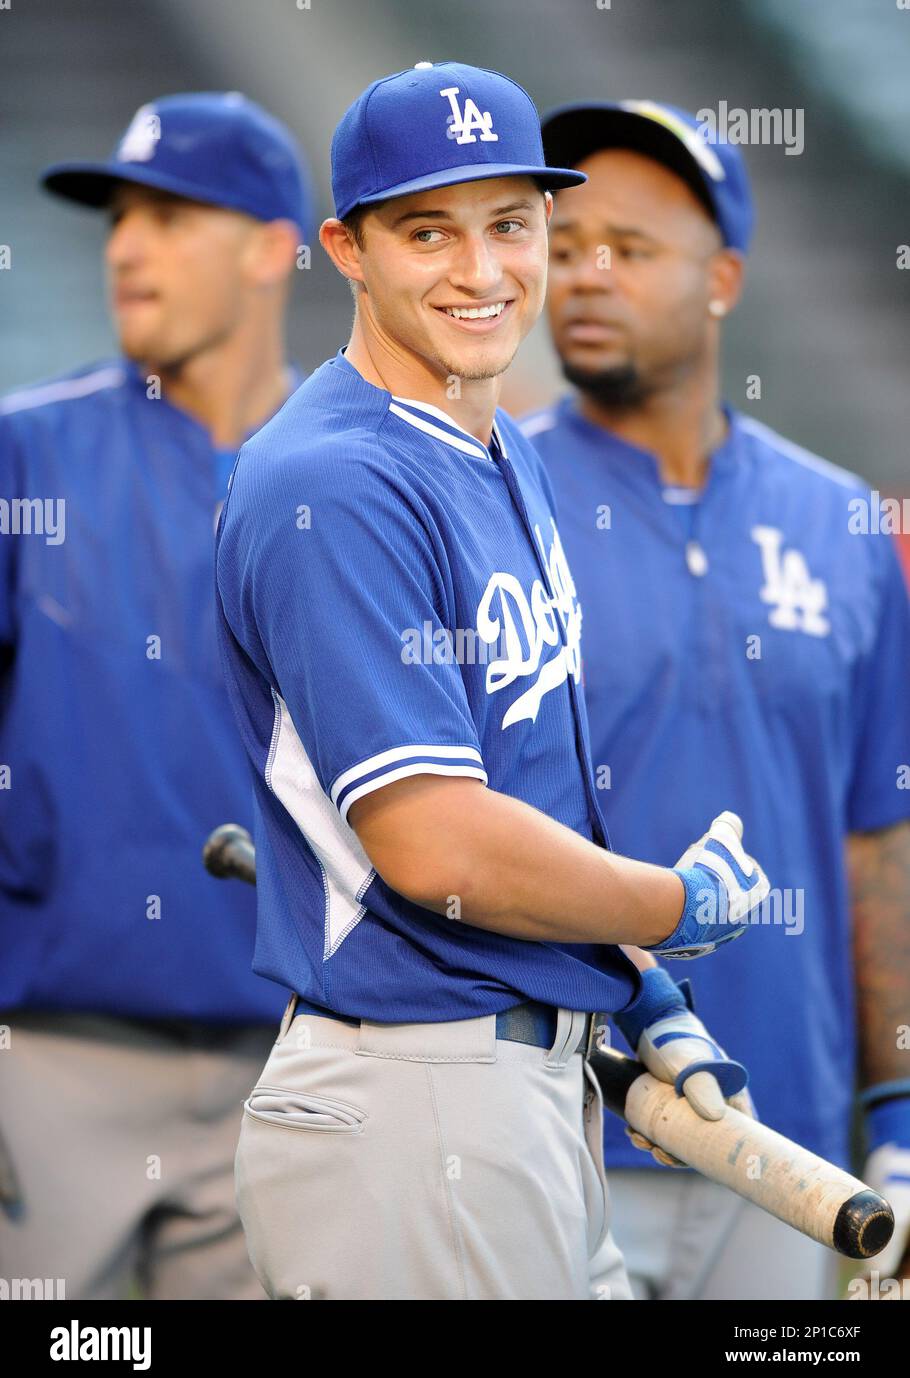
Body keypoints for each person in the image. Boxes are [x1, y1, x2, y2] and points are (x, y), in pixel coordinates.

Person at [215, 62, 771, 1302]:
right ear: (346, 249)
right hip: (416, 1103)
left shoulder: (495, 438)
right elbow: (437, 845)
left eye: (509, 225)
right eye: (427, 231)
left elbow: (524, 787)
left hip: (514, 1089)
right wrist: (666, 903)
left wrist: (641, 988)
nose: (481, 272)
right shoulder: (334, 481)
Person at [520, 99, 910, 1300]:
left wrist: (897, 1107)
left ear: (723, 277)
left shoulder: (839, 519)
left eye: (629, 250)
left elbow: (877, 841)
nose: (585, 276)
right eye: (566, 244)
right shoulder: (491, 491)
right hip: (556, 1117)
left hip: (785, 1143)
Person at [0, 92, 313, 1299]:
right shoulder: (26, 454)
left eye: (170, 215)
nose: (126, 243)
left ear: (271, 247)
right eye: (118, 216)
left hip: (294, 1071)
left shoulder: (358, 476)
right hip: (52, 1063)